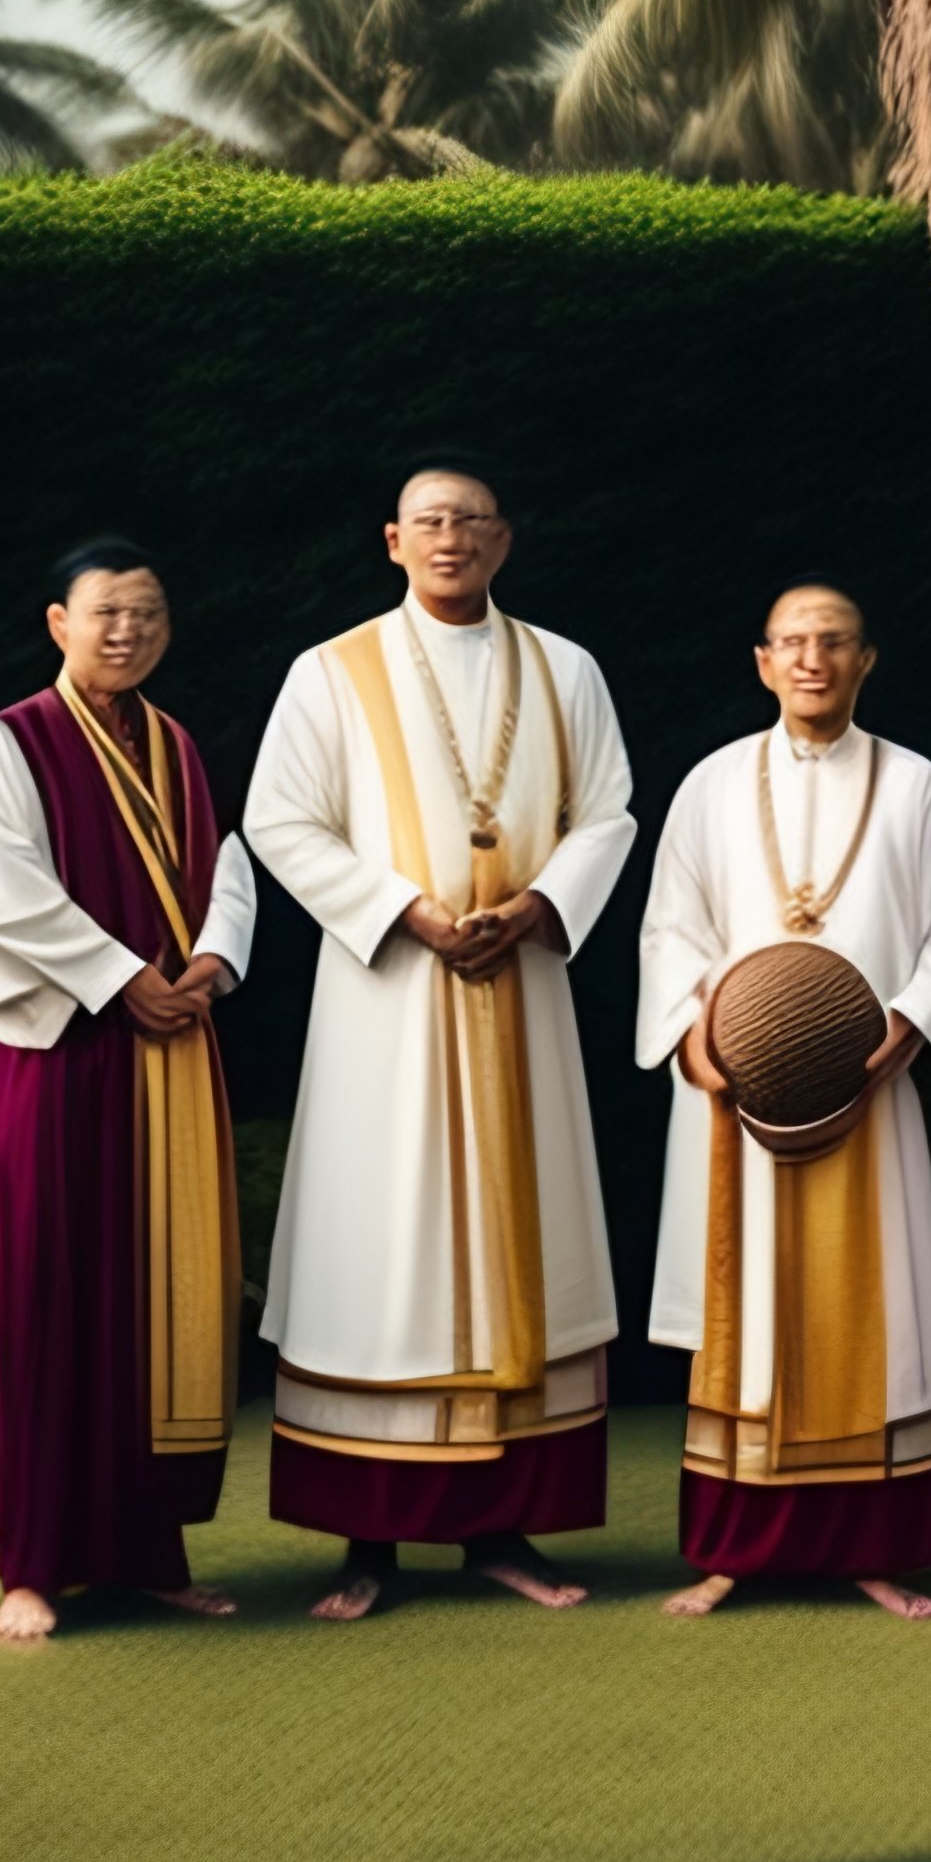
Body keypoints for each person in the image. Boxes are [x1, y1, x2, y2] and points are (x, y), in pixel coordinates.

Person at [247, 454, 634, 1621]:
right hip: (388, 1003)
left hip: (519, 985)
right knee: (386, 1246)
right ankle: (366, 1543)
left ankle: (499, 1533)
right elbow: (278, 815)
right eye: (429, 522)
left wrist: (536, 907)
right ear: (392, 541)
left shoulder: (563, 666)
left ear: (502, 540)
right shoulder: (331, 672)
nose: (450, 538)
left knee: (519, 1238)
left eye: (470, 521)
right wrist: (399, 911)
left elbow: (608, 809)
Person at [638, 585, 931, 1620]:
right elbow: (669, 931)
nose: (811, 659)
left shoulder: (914, 783)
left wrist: (901, 1030)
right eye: (791, 642)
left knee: (864, 1313)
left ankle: (868, 1547)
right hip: (736, 1104)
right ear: (760, 661)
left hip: (866, 1095)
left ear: (864, 660)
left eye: (832, 642)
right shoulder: (709, 784)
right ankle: (732, 1549)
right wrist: (696, 1040)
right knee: (747, 1318)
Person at [0, 539, 254, 1647]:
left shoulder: (173, 745)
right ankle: (30, 1562)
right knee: (48, 1293)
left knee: (157, 1303)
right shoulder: (6, 742)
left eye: (149, 614)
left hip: (170, 1049)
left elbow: (226, 865)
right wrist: (125, 982)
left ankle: (143, 1550)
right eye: (108, 612)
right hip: (60, 1058)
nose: (129, 631)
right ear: (58, 622)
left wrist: (210, 965)